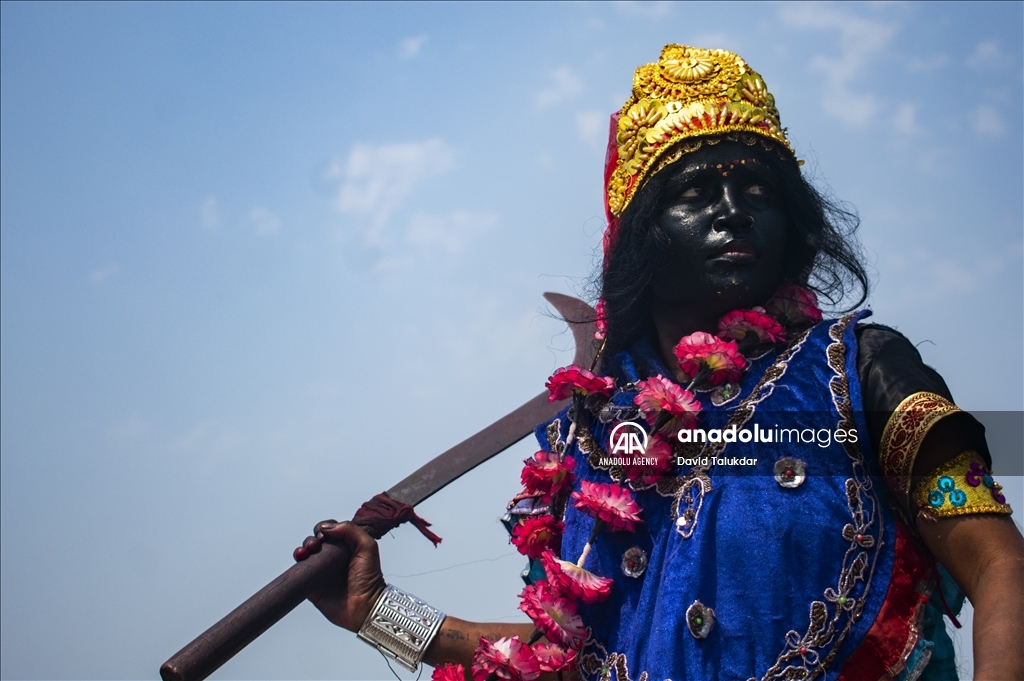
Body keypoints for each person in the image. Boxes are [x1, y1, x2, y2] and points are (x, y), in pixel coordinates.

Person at [297, 44, 1023, 681]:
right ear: (642, 236)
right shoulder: (581, 442)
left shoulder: (858, 369)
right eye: (695, 192)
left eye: (759, 190)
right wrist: (376, 612)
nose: (734, 210)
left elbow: (998, 565)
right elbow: (564, 658)